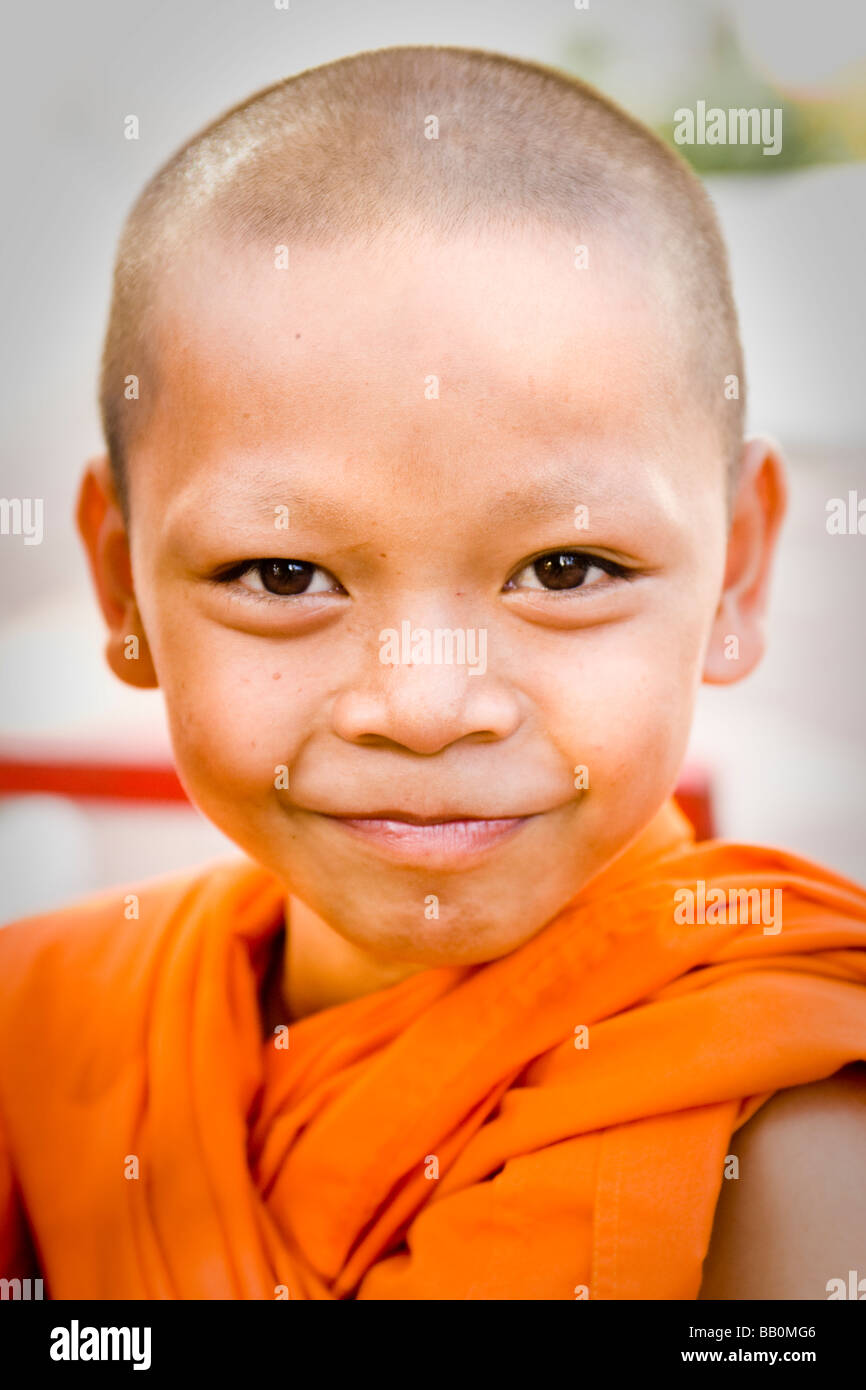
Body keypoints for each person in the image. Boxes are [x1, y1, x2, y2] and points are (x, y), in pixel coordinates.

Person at [2, 46, 865, 1301]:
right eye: (285, 576)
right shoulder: (42, 1031)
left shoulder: (784, 1151)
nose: (421, 707)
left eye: (565, 569)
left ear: (733, 571)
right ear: (118, 581)